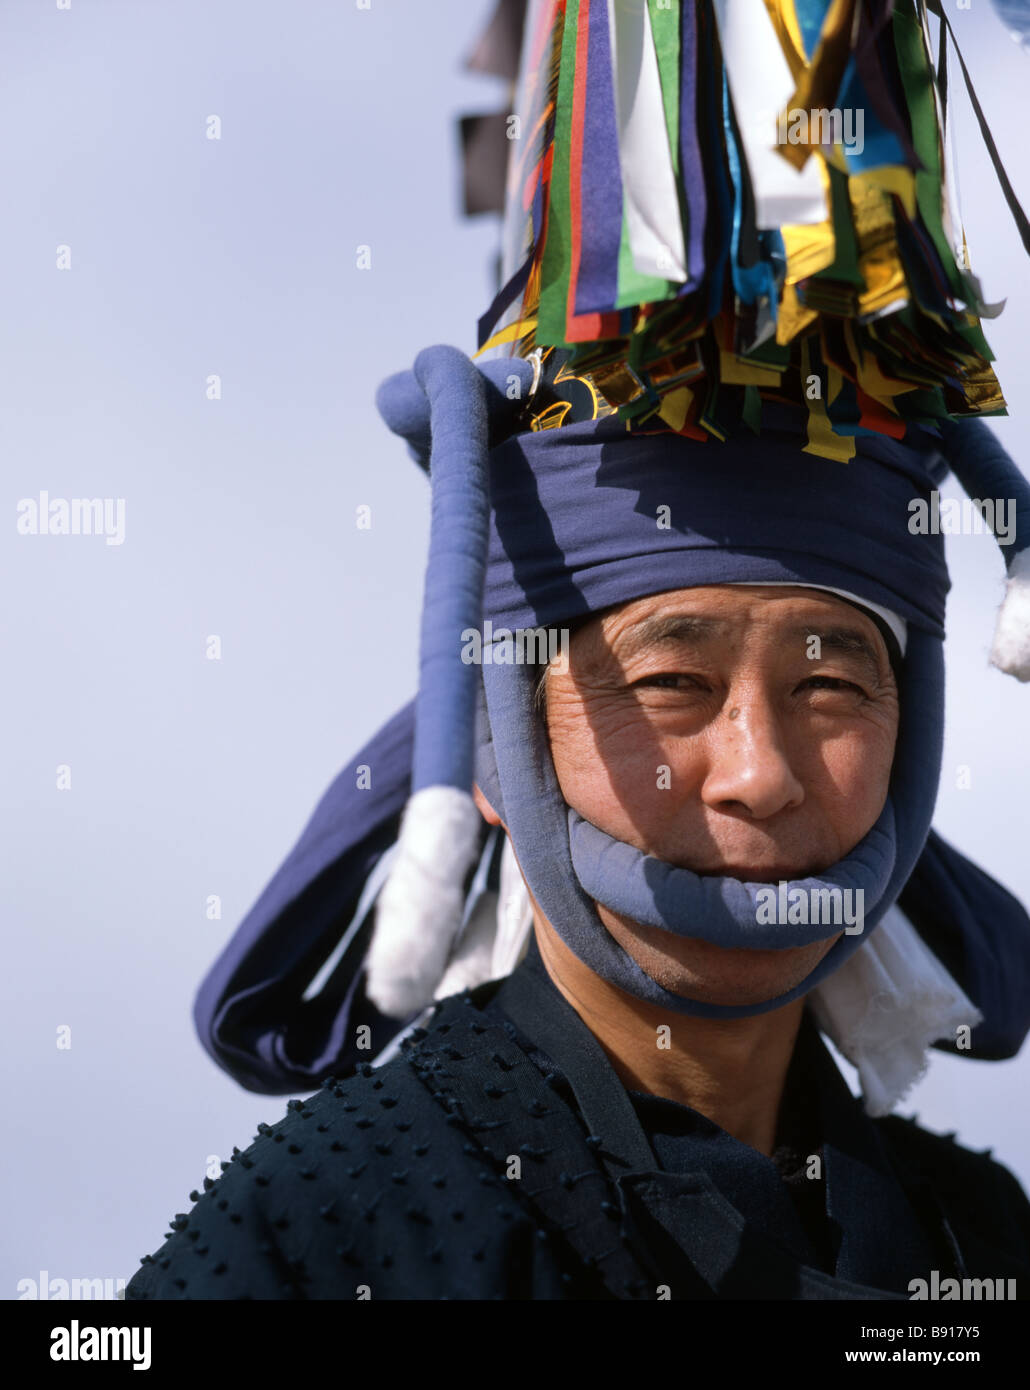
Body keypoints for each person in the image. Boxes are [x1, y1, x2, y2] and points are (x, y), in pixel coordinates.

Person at [125, 0, 1030, 1299]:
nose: (756, 774)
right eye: (668, 680)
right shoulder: (315, 1238)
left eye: (830, 680)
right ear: (494, 740)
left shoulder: (977, 1240)